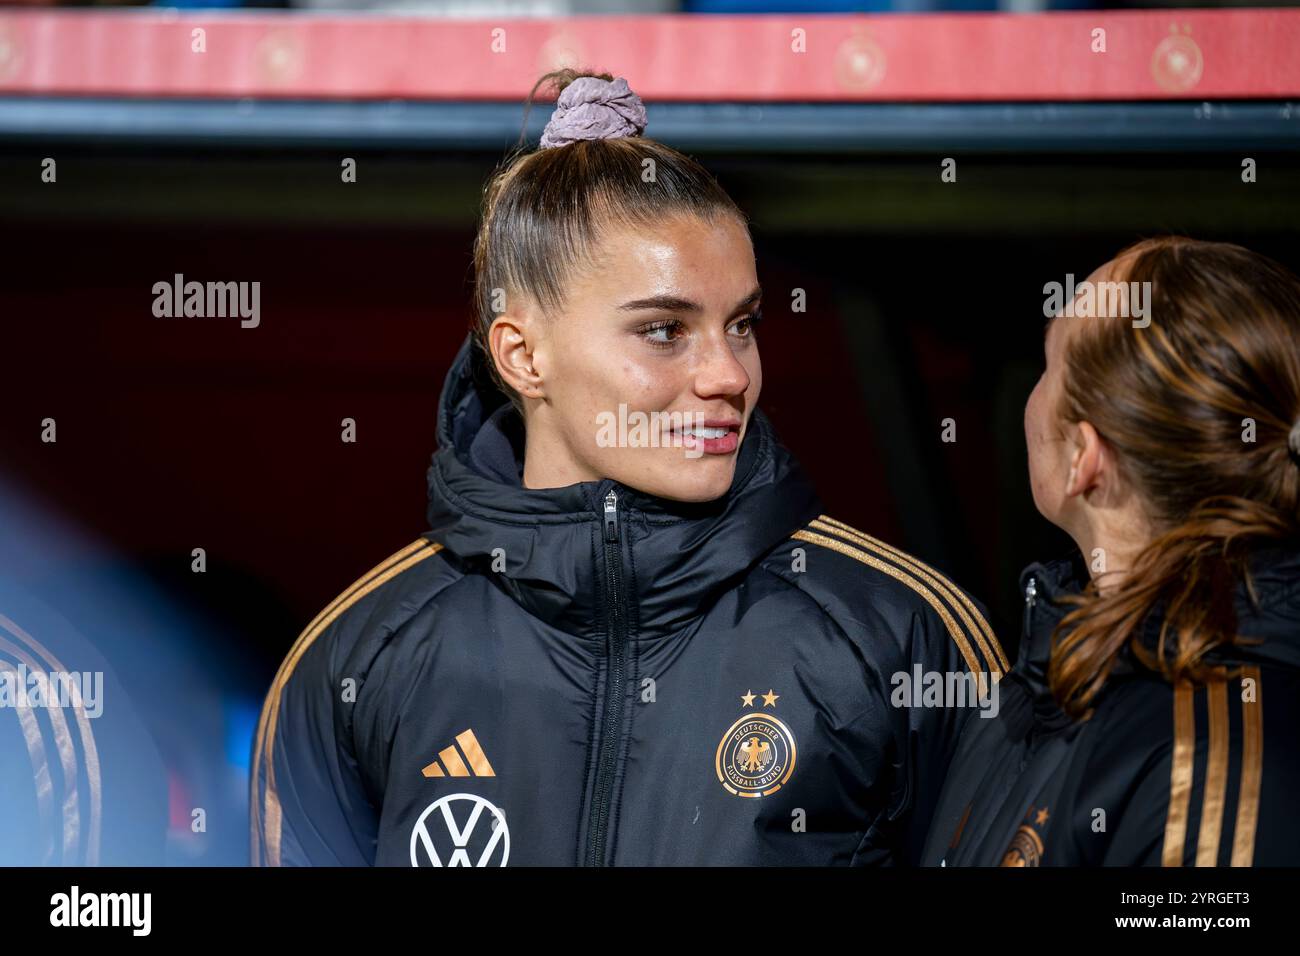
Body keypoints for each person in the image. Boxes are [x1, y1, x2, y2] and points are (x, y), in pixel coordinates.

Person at [250, 70, 1004, 867]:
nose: (730, 375)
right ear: (522, 355)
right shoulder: (358, 658)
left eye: (742, 325)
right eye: (664, 331)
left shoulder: (902, 635)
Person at [923, 236, 1300, 867]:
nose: (1033, 395)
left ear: (1083, 458)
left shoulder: (1213, 762)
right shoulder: (1043, 691)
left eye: (1048, 365)